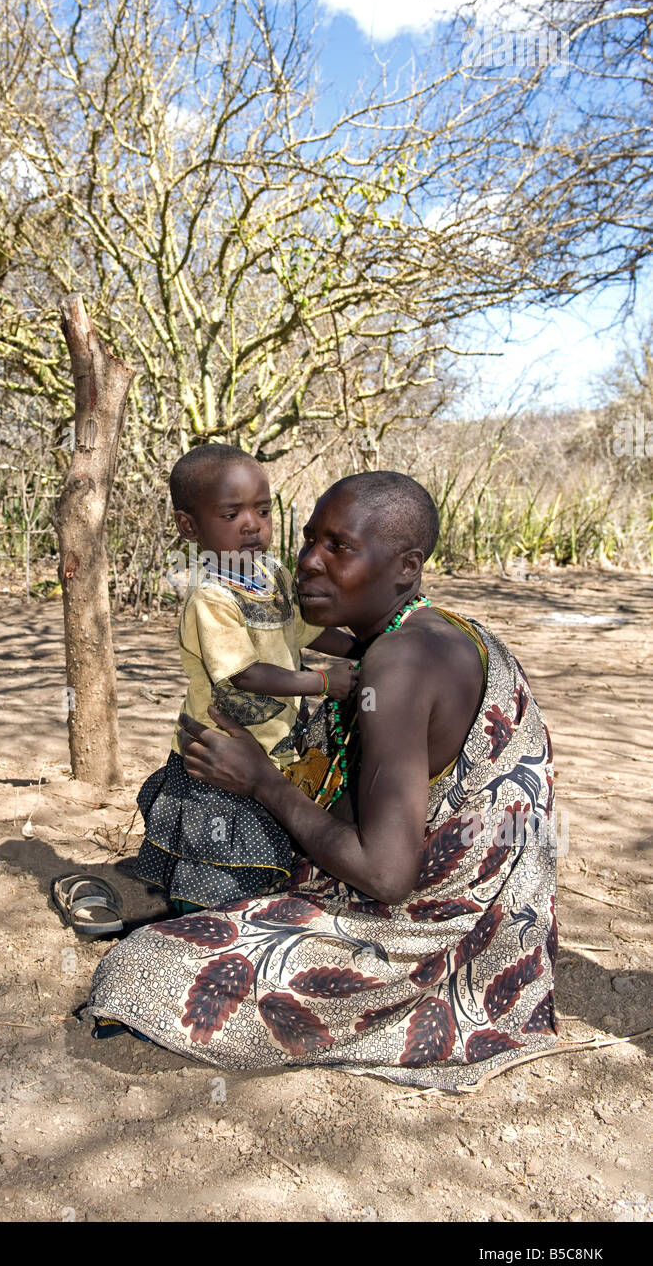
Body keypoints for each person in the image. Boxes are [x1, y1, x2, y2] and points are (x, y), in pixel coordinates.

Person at [88, 471, 558, 1091]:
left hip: (425, 931)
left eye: (338, 547)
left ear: (406, 565)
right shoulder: (434, 631)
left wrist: (261, 782)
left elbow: (388, 879)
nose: (308, 562)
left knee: (136, 968)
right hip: (502, 930)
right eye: (308, 540)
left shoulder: (398, 663)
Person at [134, 443, 358, 911]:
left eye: (261, 509)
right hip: (220, 750)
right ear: (189, 526)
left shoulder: (273, 575)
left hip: (272, 744)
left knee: (258, 846)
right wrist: (322, 683)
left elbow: (304, 630)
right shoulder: (210, 597)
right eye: (231, 513)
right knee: (216, 860)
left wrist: (364, 646)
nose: (252, 525)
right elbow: (246, 675)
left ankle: (241, 913)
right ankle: (201, 926)